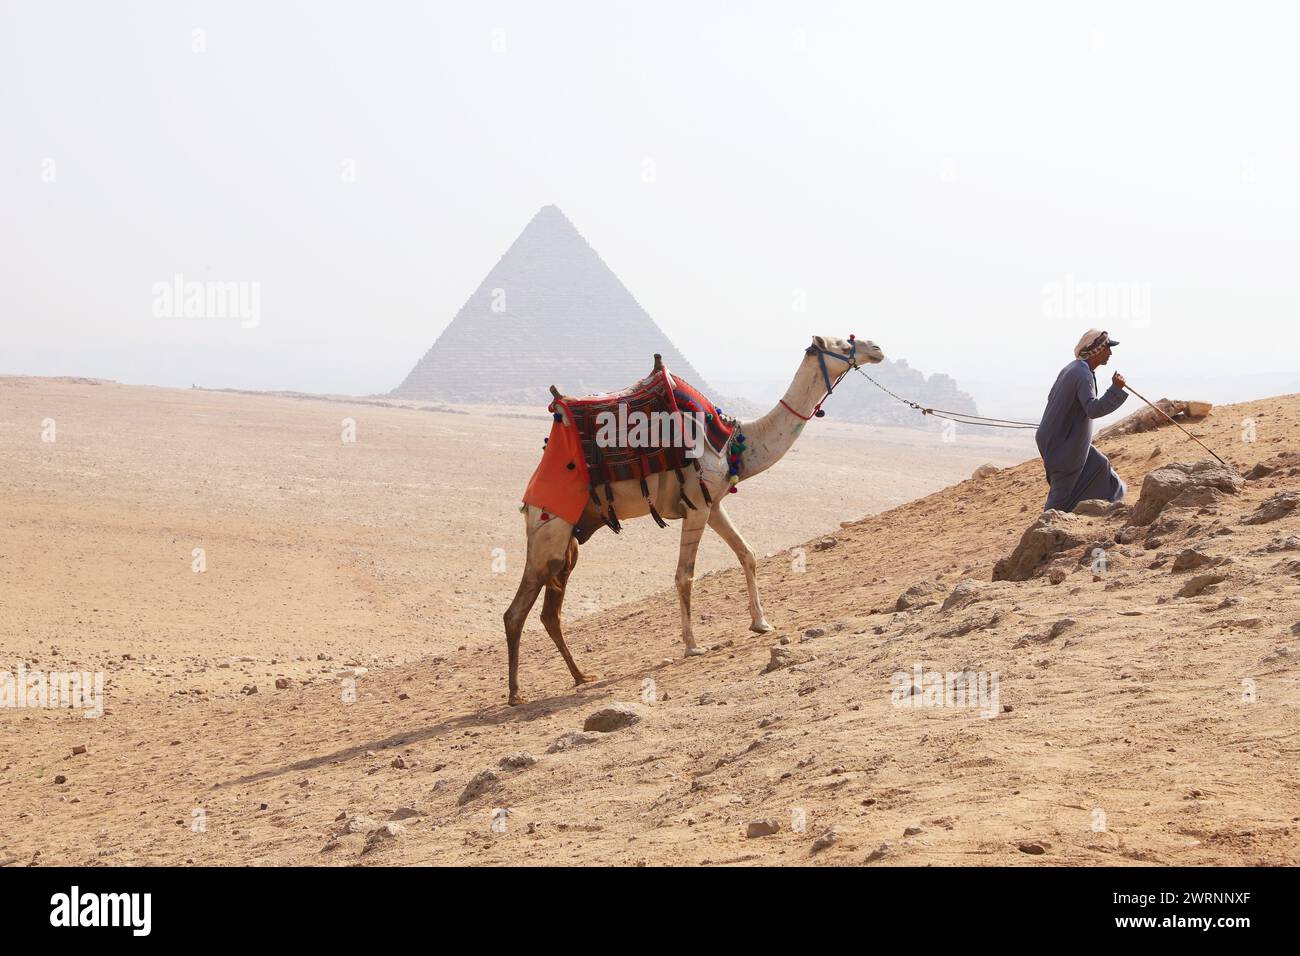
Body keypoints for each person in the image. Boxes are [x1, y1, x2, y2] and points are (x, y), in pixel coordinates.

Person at [1036, 329, 1128, 512]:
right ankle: (1043, 534)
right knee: (1059, 499)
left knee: (1100, 466)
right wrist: (1115, 390)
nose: (1110, 352)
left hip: (1064, 441)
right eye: (1107, 348)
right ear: (1096, 350)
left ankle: (1107, 512)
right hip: (1063, 447)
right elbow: (1093, 409)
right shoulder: (1082, 374)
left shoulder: (1074, 368)